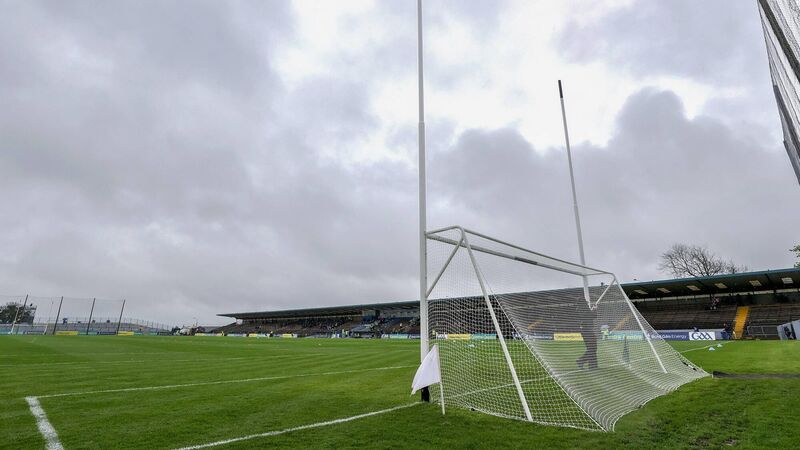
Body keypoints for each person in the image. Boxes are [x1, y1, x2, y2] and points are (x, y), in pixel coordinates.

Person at [576, 301, 598, 369]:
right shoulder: (584, 309)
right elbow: (594, 315)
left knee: (591, 348)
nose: (587, 304)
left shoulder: (579, 309)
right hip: (588, 331)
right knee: (592, 348)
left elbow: (590, 315)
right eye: (586, 303)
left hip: (584, 331)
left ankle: (592, 365)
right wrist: (594, 309)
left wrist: (592, 310)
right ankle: (582, 361)